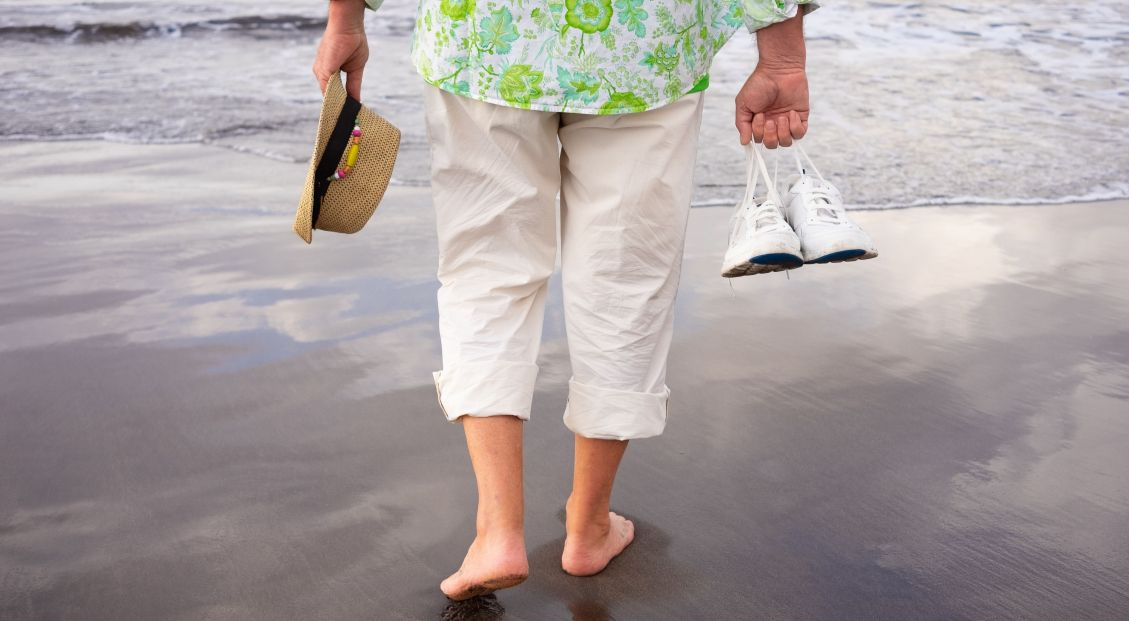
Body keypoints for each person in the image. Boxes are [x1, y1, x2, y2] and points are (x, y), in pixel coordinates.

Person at [312, 0, 816, 600]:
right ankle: (589, 526)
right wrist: (781, 53)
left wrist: (346, 17)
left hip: (483, 36)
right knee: (625, 280)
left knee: (487, 272)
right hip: (644, 45)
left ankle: (497, 532)